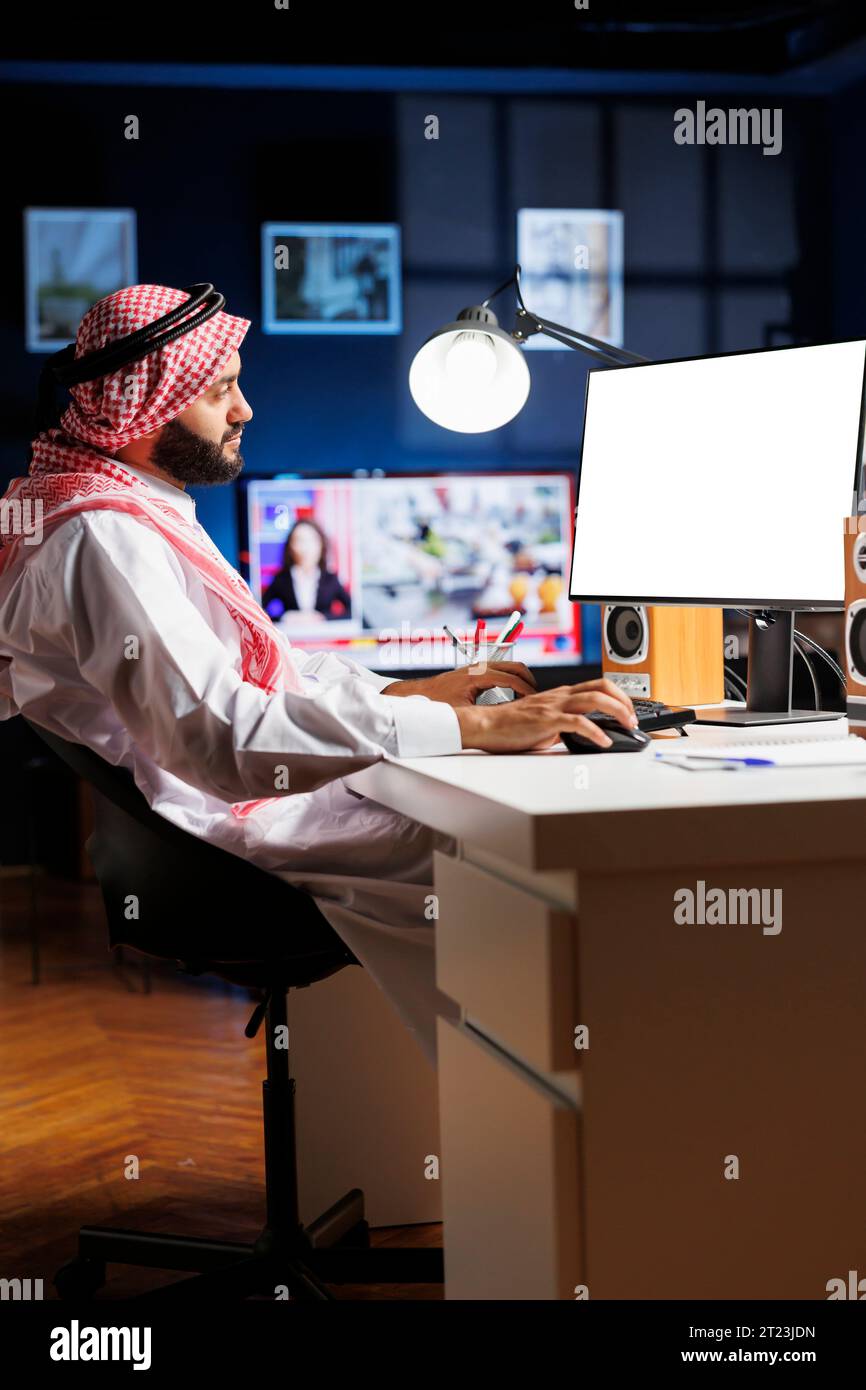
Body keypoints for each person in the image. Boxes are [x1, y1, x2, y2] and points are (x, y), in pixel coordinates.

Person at [0, 284, 636, 1065]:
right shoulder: (103, 539)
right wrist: (477, 724)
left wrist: (413, 692)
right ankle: (562, 1102)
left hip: (235, 814)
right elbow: (225, 735)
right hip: (241, 832)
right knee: (536, 862)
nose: (245, 410)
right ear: (141, 409)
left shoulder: (119, 505)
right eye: (219, 389)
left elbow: (267, 669)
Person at [262, 518, 352, 624]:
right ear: (290, 547)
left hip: (323, 637)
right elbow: (258, 610)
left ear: (321, 544)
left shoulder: (330, 579)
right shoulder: (281, 579)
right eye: (299, 540)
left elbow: (352, 611)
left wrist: (324, 618)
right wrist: (284, 618)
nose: (306, 547)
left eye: (311, 540)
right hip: (292, 637)